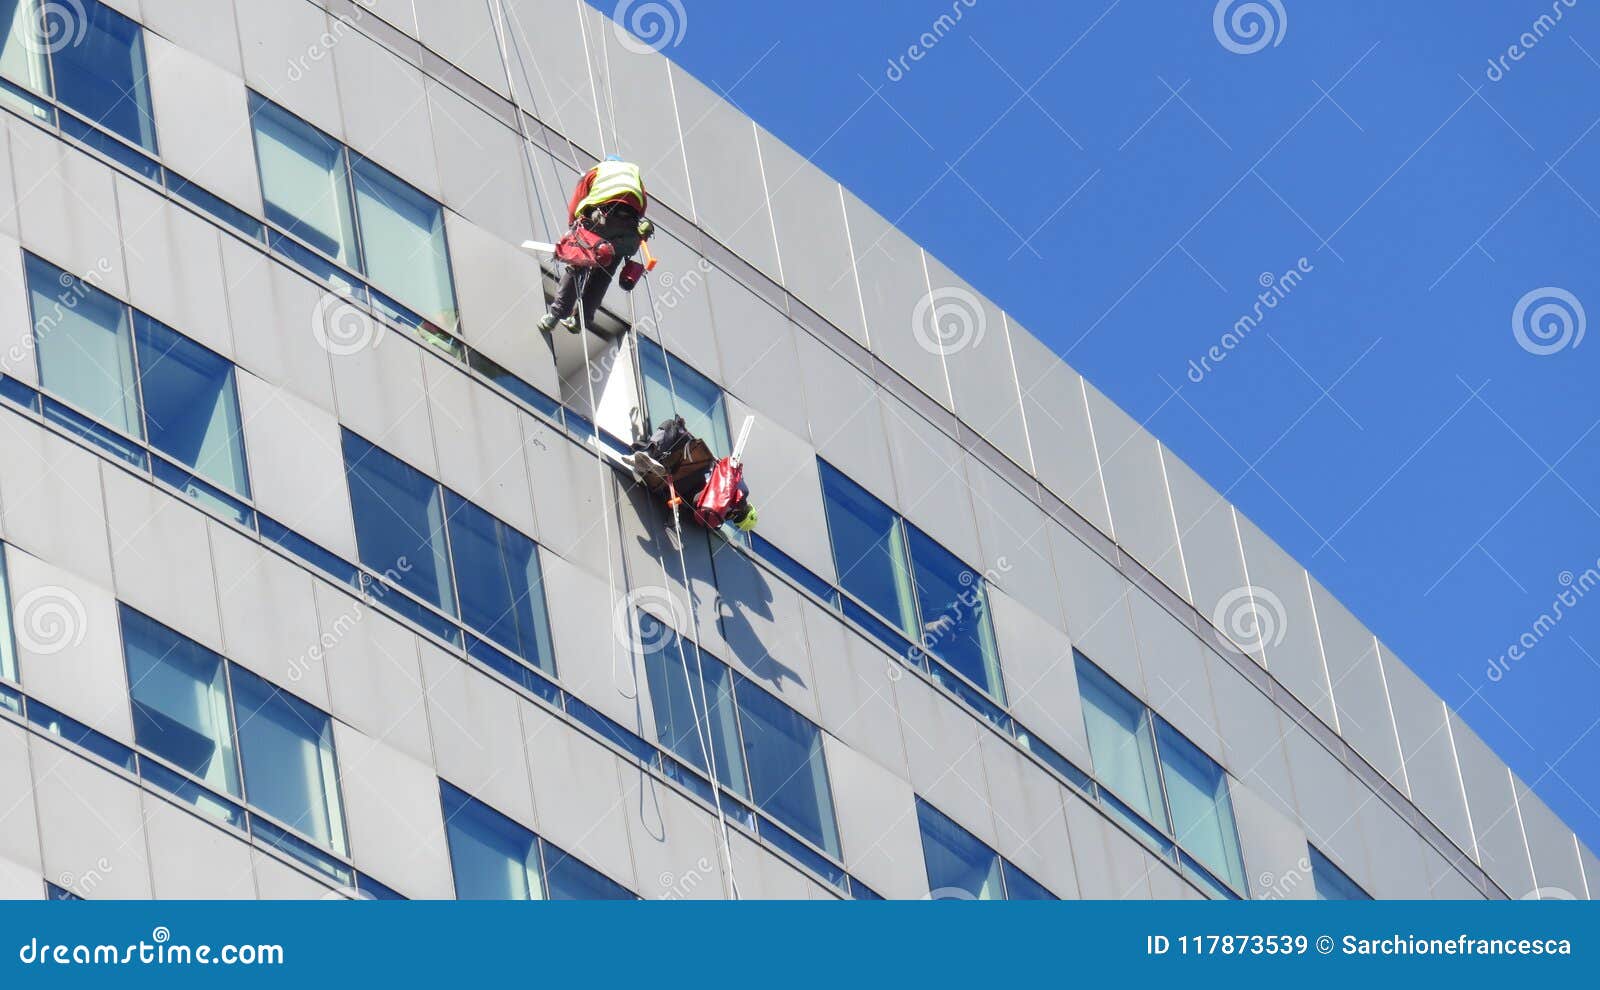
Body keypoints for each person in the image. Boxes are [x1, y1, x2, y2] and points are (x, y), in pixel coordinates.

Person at [538, 155, 655, 334]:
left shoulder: (597, 171)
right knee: (603, 275)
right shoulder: (634, 176)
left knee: (578, 264)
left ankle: (555, 315)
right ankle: (580, 320)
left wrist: (573, 227)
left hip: (601, 222)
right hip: (628, 232)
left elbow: (577, 201)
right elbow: (641, 208)